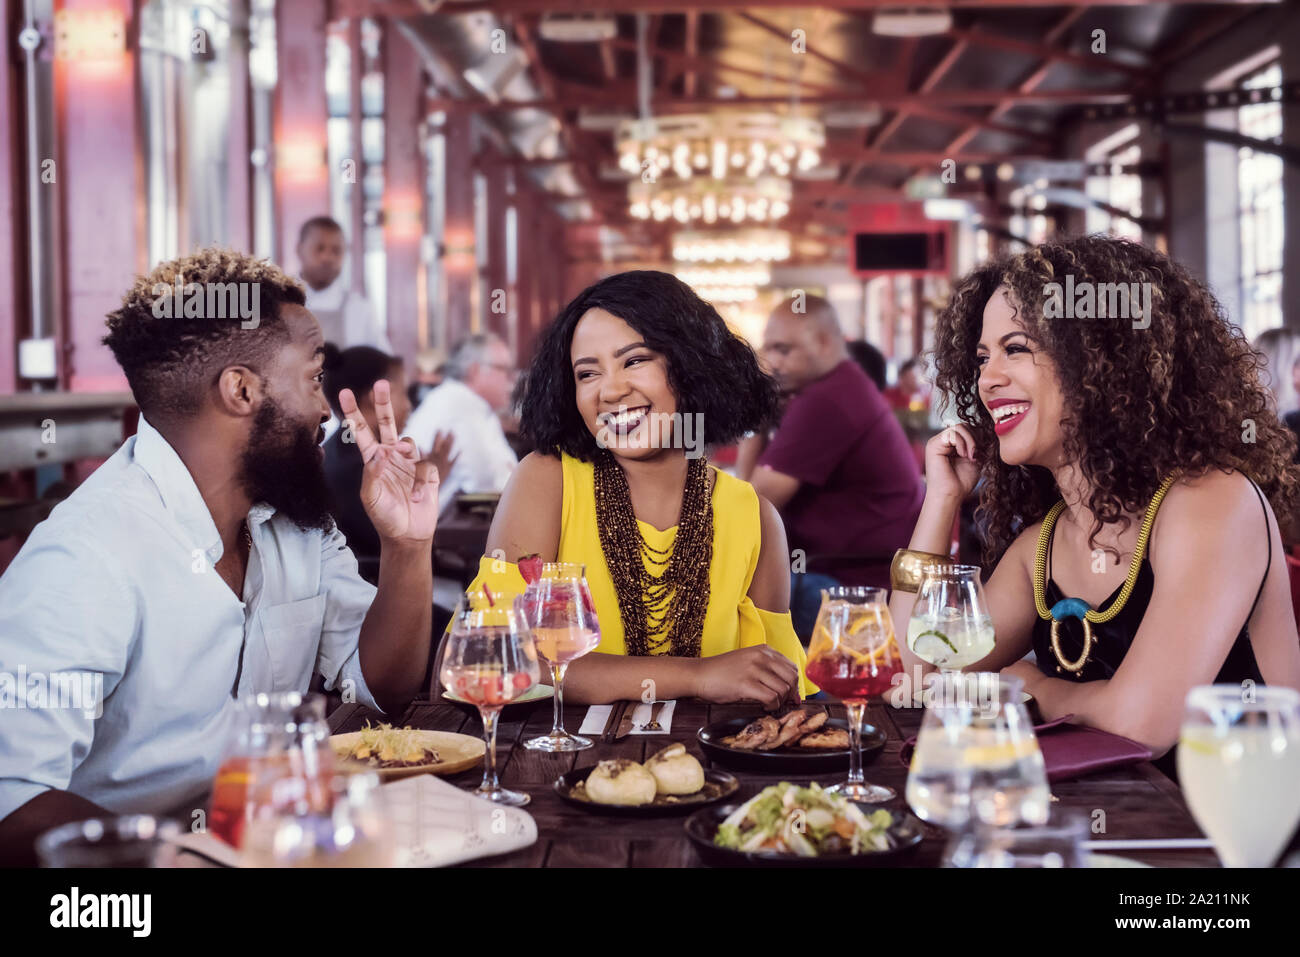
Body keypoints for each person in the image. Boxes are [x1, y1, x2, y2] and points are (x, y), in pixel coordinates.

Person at [0, 249, 439, 865]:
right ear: (240, 390)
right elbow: (13, 799)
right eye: (314, 378)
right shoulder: (84, 555)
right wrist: (195, 858)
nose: (325, 412)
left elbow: (381, 689)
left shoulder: (296, 523)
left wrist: (406, 545)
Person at [889, 235, 1300, 773]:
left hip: (1238, 838)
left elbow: (1139, 726)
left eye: (1017, 349)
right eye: (983, 358)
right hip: (1116, 833)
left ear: (1105, 364)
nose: (987, 379)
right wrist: (940, 501)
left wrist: (1028, 683)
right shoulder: (1044, 541)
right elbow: (913, 667)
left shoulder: (1212, 501)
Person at [468, 270, 813, 706]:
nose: (611, 390)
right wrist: (697, 676)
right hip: (555, 766)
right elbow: (495, 656)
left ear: (691, 366)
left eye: (634, 361)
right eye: (587, 374)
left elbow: (776, 686)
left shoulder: (754, 516)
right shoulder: (546, 479)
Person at [746, 294, 925, 638]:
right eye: (768, 350)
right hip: (868, 577)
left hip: (852, 588)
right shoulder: (842, 386)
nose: (773, 363)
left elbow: (750, 503)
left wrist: (754, 416)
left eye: (784, 350)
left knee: (716, 597)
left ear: (825, 343)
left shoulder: (826, 400)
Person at [321, 344, 455, 577]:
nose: (409, 406)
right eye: (402, 392)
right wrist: (421, 492)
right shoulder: (355, 468)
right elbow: (400, 550)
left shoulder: (343, 451)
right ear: (376, 398)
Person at [405, 333, 519, 514]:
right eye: (504, 369)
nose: (512, 378)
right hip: (434, 530)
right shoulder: (458, 403)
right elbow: (484, 483)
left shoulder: (472, 404)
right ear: (475, 371)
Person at [297, 216, 391, 352]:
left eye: (336, 250)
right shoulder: (277, 302)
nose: (327, 258)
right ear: (299, 250)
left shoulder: (360, 308)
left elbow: (386, 367)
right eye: (319, 248)